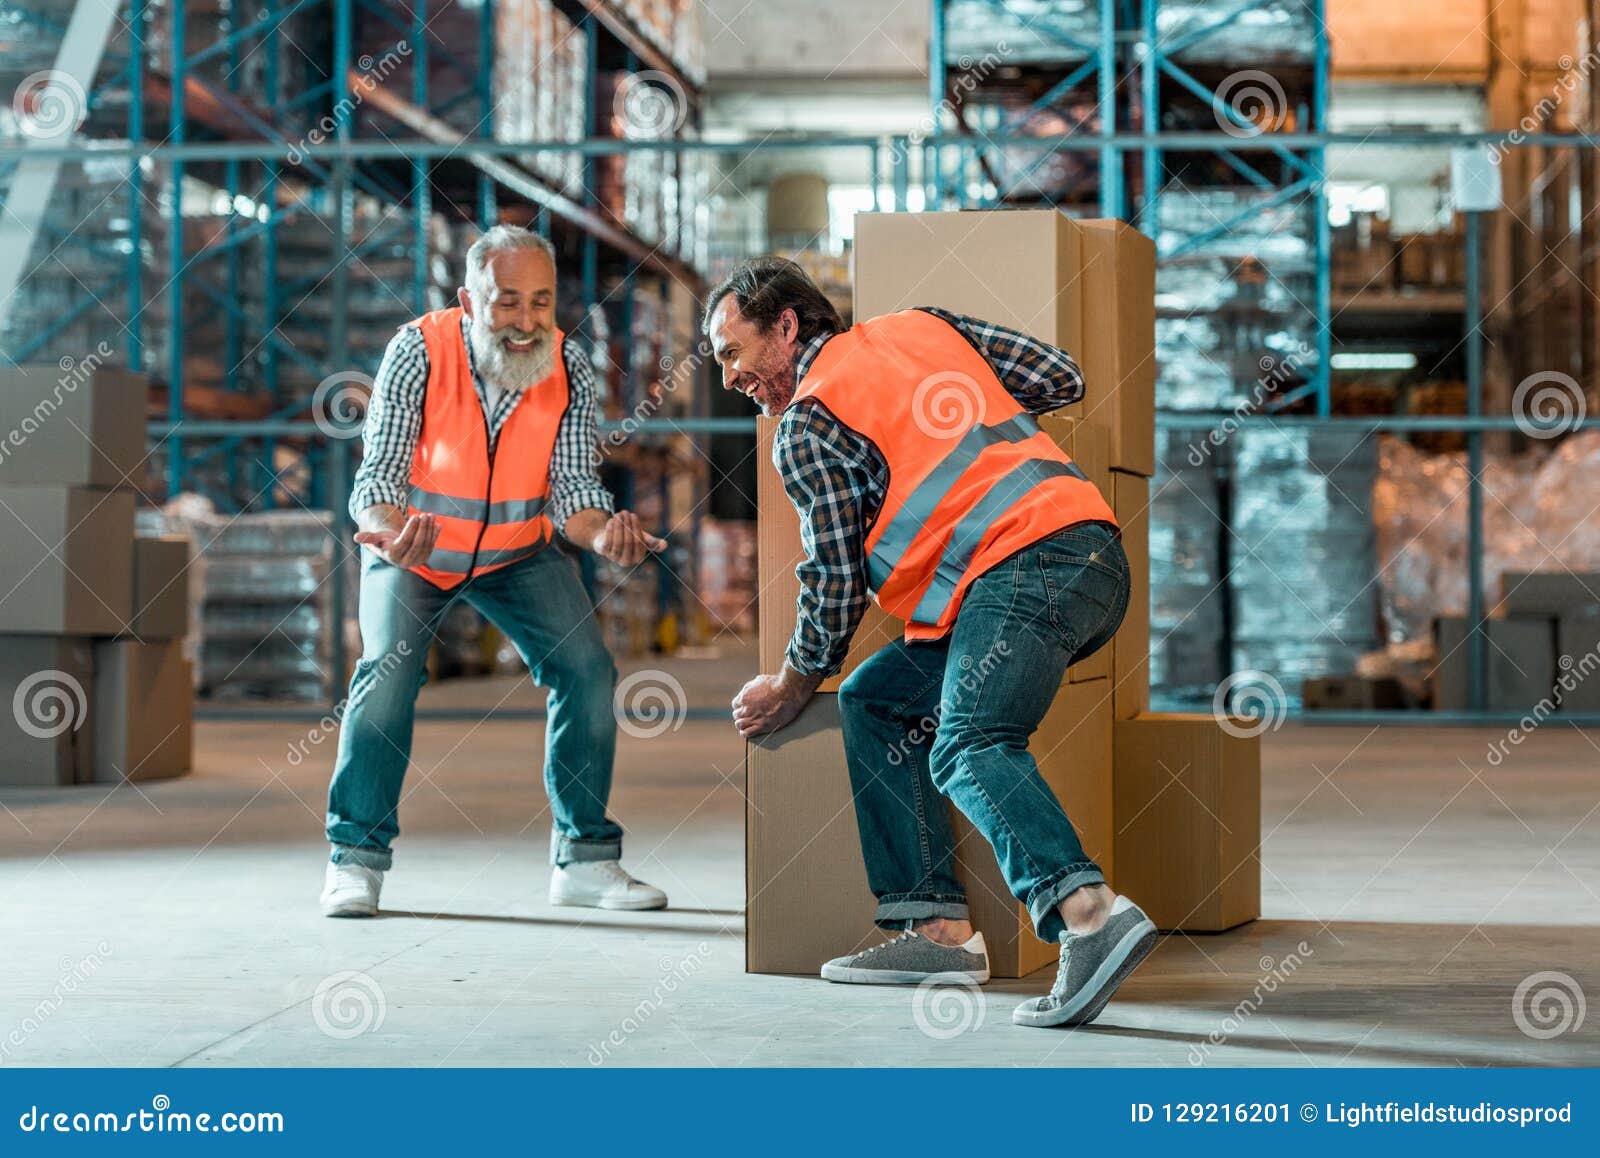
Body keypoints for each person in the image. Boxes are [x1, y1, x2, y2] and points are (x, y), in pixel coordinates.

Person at [709, 257, 1156, 1028]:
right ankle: (938, 930)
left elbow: (835, 579)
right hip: (1091, 560)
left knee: (970, 742)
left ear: (785, 327)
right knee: (878, 698)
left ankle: (1088, 913)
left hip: (1024, 567)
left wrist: (790, 682)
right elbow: (1060, 377)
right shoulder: (923, 327)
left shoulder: (809, 423)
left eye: (732, 352)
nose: (728, 378)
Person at [319, 225, 668, 918]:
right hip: (413, 548)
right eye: (507, 302)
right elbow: (379, 475)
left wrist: (603, 538)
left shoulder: (567, 363)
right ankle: (354, 861)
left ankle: (585, 860)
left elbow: (573, 489)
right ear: (468, 297)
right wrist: (391, 536)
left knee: (588, 670)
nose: (526, 321)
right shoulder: (417, 350)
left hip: (516, 553)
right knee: (386, 672)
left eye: (541, 303)